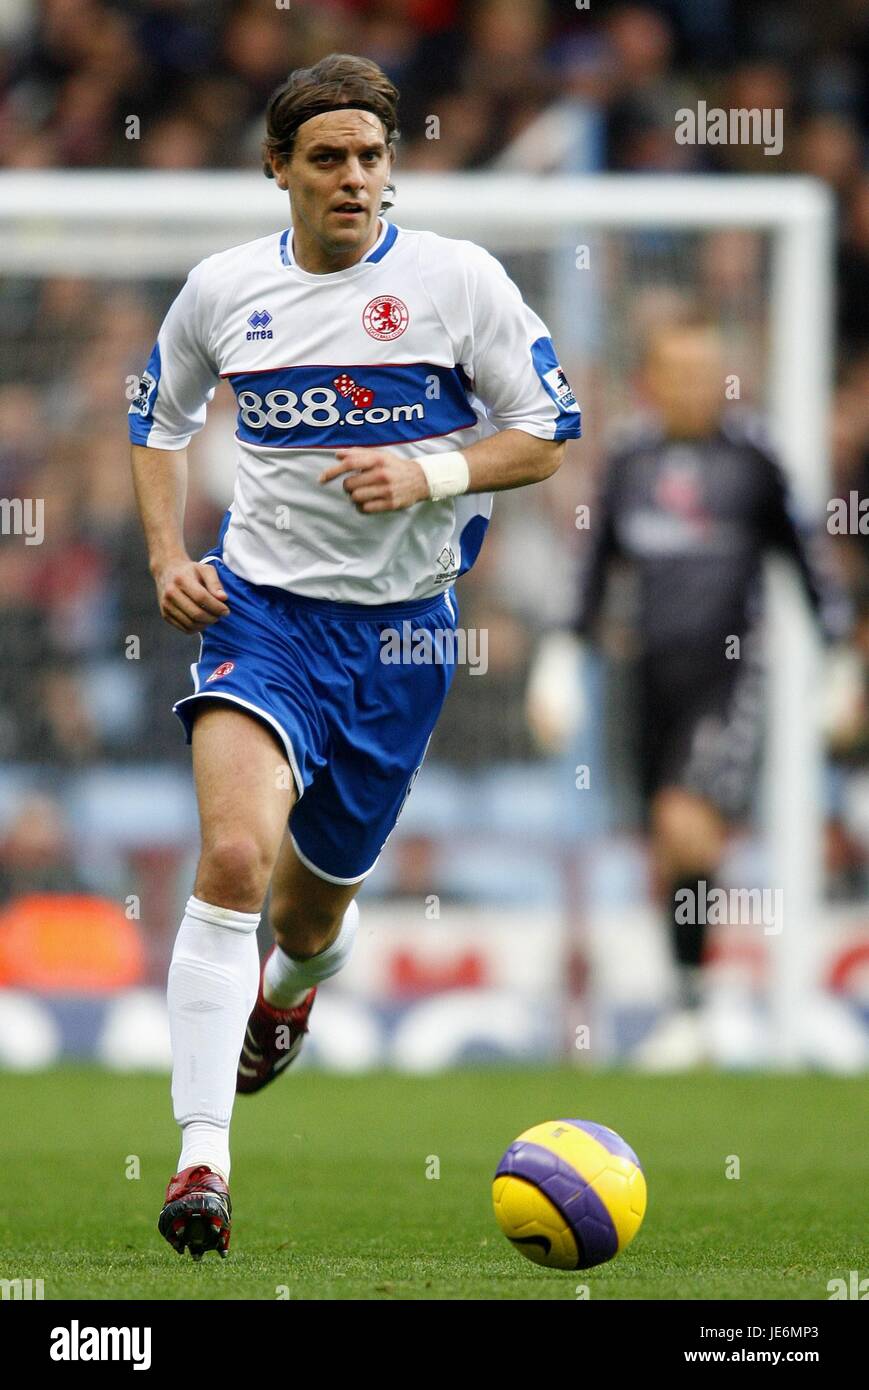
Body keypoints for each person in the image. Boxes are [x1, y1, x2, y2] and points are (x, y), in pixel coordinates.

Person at [129, 52, 580, 1260]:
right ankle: (201, 1163)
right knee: (231, 854)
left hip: (402, 639)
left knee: (309, 912)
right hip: (264, 615)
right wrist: (169, 555)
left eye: (372, 157)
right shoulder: (222, 292)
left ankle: (290, 991)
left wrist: (427, 470)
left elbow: (547, 431)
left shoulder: (456, 282)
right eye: (326, 158)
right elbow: (156, 419)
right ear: (276, 169)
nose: (354, 179)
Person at [527, 315, 846, 1070]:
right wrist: (561, 660)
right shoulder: (629, 462)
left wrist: (838, 662)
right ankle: (692, 1007)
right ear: (653, 380)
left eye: (707, 371)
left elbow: (808, 561)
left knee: (685, 825)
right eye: (679, 371)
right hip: (647, 680)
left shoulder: (752, 460)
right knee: (665, 847)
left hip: (729, 674)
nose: (694, 386)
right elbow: (591, 568)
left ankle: (699, 1004)